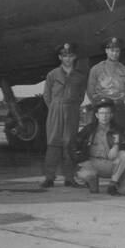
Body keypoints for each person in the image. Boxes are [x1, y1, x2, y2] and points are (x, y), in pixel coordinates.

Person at [39, 41, 87, 188]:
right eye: (64, 56)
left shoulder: (80, 76)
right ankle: (49, 177)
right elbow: (46, 95)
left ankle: (69, 178)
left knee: (70, 144)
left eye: (70, 56)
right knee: (53, 143)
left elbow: (80, 96)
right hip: (55, 110)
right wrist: (55, 107)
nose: (67, 59)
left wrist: (69, 106)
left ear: (74, 57)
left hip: (72, 110)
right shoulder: (52, 75)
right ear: (60, 57)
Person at [73, 99, 125, 195]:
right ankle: (92, 181)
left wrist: (117, 146)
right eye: (101, 113)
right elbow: (73, 145)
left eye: (107, 113)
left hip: (111, 164)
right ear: (97, 115)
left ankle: (113, 184)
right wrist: (80, 159)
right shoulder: (89, 129)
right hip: (93, 163)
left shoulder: (117, 129)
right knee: (92, 185)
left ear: (111, 115)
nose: (104, 116)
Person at [84, 37, 125, 129]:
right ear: (106, 51)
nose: (114, 54)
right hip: (101, 107)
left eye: (117, 51)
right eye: (112, 50)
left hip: (117, 108)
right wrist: (100, 107)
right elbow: (90, 91)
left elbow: (124, 94)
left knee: (119, 135)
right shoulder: (96, 69)